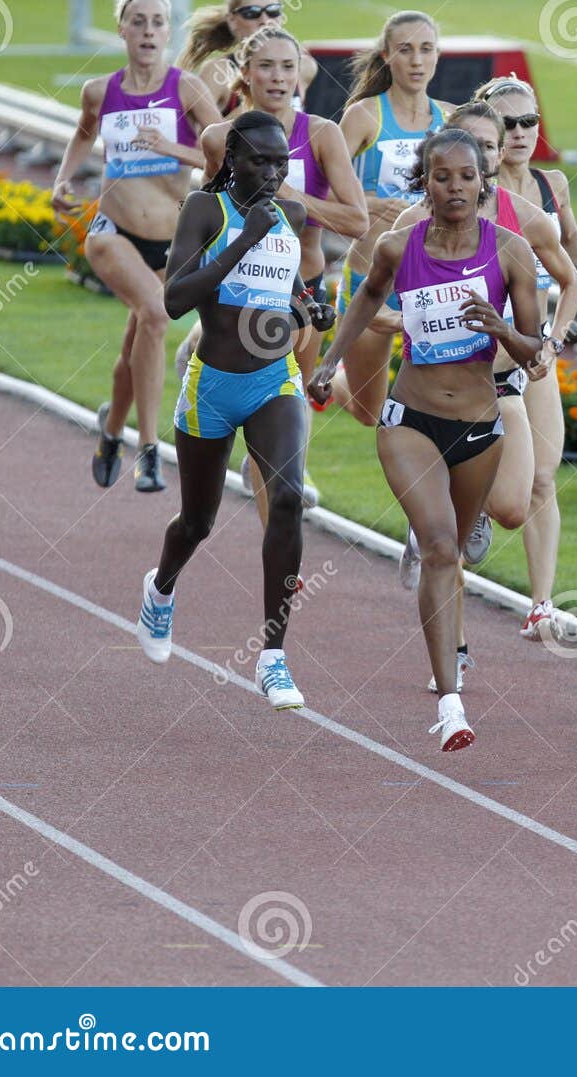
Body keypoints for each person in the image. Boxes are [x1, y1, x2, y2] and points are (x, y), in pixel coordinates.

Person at [309, 128, 542, 751]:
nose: (456, 187)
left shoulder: (512, 252)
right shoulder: (397, 247)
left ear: (483, 182)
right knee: (441, 546)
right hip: (409, 418)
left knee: (455, 551)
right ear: (426, 182)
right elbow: (365, 301)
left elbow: (535, 351)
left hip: (480, 427)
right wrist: (331, 362)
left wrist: (499, 328)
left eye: (467, 176)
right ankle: (451, 702)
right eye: (443, 176)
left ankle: (442, 603)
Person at [136, 111, 335, 710]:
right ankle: (161, 589)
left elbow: (290, 285)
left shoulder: (293, 217)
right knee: (195, 523)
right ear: (232, 161)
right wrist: (243, 238)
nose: (274, 174)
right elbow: (174, 300)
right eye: (261, 161)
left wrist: (312, 306)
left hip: (274, 380)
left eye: (283, 164)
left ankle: (273, 656)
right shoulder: (205, 210)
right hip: (212, 387)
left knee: (290, 497)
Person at [387, 101, 577, 684]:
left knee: (512, 506)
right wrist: (415, 324)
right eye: (462, 151)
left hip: (505, 377)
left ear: (490, 162)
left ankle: (449, 526)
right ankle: (458, 646)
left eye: (488, 149)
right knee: (450, 542)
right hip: (437, 388)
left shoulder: (525, 222)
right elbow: (376, 305)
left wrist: (548, 339)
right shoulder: (413, 228)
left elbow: (569, 278)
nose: (474, 163)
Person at [51, 0, 220, 494]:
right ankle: (149, 450)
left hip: (171, 242)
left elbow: (225, 151)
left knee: (135, 344)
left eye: (157, 22)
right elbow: (84, 132)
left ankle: (110, 430)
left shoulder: (186, 89)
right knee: (153, 314)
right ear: (121, 28)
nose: (148, 31)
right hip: (112, 232)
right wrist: (64, 177)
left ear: (168, 31)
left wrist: (173, 147)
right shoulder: (101, 92)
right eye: (138, 21)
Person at [197, 26, 368, 520]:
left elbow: (356, 220)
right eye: (267, 66)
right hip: (240, 293)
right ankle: (278, 527)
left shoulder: (320, 134)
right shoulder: (218, 140)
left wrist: (293, 199)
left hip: (304, 290)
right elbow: (206, 220)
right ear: (245, 74)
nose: (278, 77)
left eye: (288, 67)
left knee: (284, 407)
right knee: (271, 406)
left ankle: (279, 512)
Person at [471, 75, 577, 635]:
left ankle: (542, 604)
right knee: (497, 493)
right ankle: (463, 510)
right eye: (509, 124)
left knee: (544, 479)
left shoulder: (551, 185)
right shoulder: (471, 190)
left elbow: (571, 243)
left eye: (530, 121)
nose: (522, 132)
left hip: (538, 351)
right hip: (478, 359)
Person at [330, 11, 454, 428]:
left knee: (440, 404)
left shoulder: (452, 121)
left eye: (426, 49)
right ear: (387, 56)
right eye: (405, 50)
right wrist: (365, 203)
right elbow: (323, 192)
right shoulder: (365, 116)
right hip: (372, 282)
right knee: (369, 412)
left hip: (434, 283)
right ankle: (331, 384)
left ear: (438, 55)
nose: (417, 61)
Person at [179, 0, 318, 117]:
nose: (265, 21)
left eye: (273, 11)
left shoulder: (305, 67)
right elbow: (197, 138)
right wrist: (255, 107)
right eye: (252, 13)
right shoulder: (218, 73)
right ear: (232, 20)